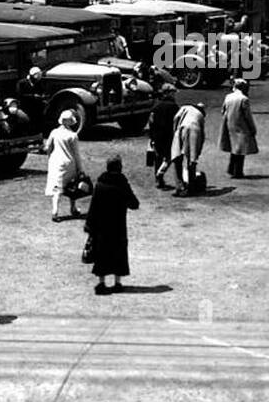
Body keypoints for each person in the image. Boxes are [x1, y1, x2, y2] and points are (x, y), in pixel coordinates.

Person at [86, 155, 140, 295]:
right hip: (118, 225)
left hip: (101, 226)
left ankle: (101, 283)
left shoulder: (100, 184)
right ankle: (117, 283)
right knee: (119, 253)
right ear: (119, 167)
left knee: (101, 255)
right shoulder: (122, 184)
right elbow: (134, 204)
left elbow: (93, 207)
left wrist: (89, 226)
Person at [44, 109, 84, 222]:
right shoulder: (72, 136)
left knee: (57, 189)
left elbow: (48, 147)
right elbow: (76, 154)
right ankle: (73, 208)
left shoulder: (54, 132)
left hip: (56, 162)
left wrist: (50, 159)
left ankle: (55, 211)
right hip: (69, 163)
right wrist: (80, 169)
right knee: (72, 187)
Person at [220, 79, 259, 179]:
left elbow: (223, 111)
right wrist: (252, 128)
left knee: (234, 148)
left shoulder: (228, 97)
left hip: (230, 124)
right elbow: (248, 116)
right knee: (241, 150)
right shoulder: (244, 99)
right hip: (241, 126)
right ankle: (237, 171)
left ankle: (231, 169)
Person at [171, 101, 206, 197]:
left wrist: (174, 132)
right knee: (191, 160)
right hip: (194, 130)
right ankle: (191, 186)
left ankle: (179, 186)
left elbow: (176, 118)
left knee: (176, 157)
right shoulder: (201, 116)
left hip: (181, 128)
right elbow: (202, 135)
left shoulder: (185, 107)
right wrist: (198, 151)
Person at [148, 84, 180, 189]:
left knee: (158, 158)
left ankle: (158, 180)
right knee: (170, 158)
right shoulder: (174, 107)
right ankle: (162, 175)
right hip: (169, 136)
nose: (174, 95)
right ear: (168, 93)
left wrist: (151, 137)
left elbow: (151, 123)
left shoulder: (156, 106)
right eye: (173, 92)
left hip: (157, 136)